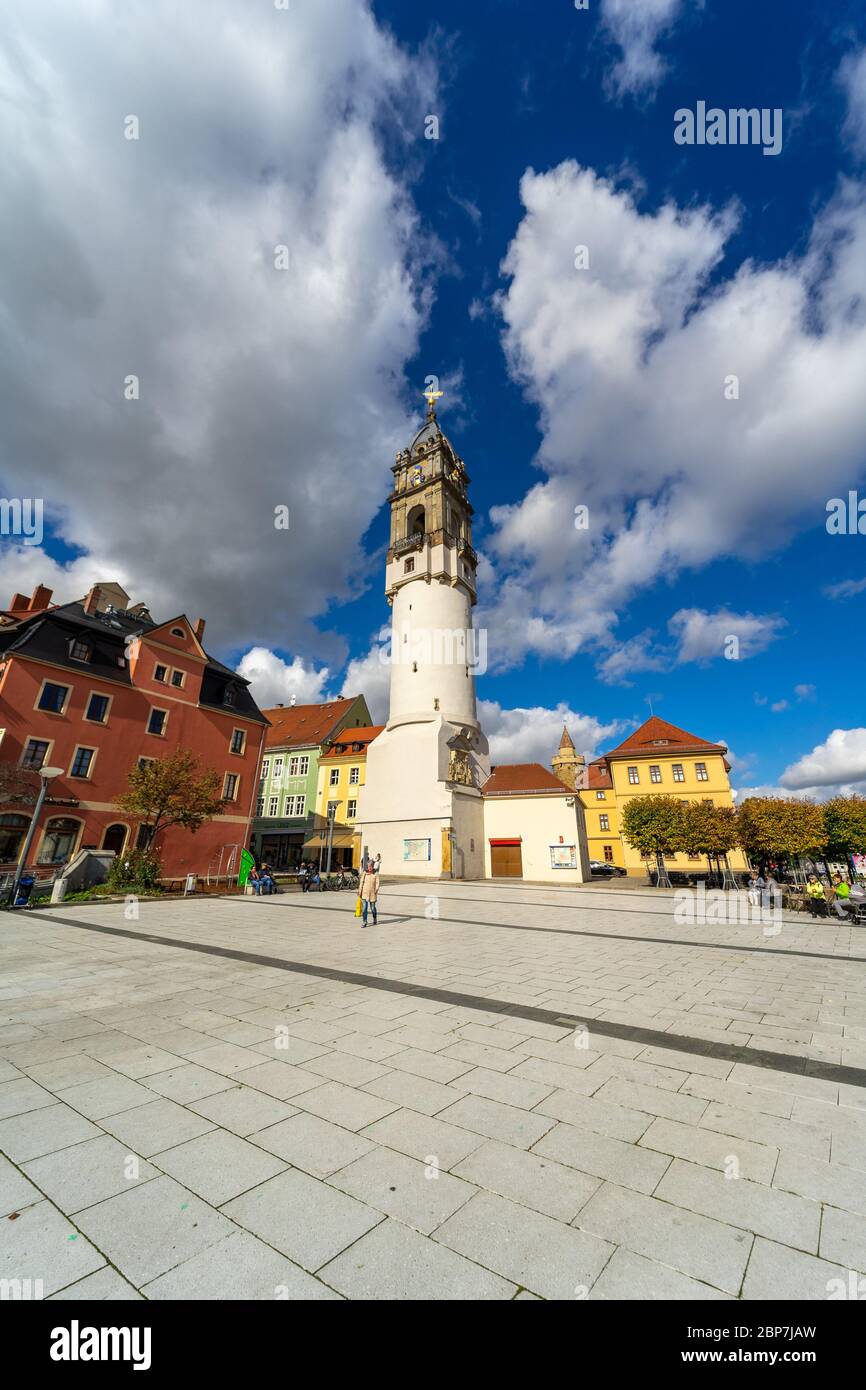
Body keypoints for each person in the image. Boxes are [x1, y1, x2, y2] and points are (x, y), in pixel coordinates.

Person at [358, 858, 380, 927]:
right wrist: (359, 891)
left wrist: (376, 890)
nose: (369, 868)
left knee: (373, 908)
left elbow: (377, 883)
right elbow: (361, 882)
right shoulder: (365, 873)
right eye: (368, 866)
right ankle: (365, 921)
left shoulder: (376, 873)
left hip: (372, 893)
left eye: (371, 866)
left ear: (373, 866)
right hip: (364, 893)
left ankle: (374, 918)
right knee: (364, 908)